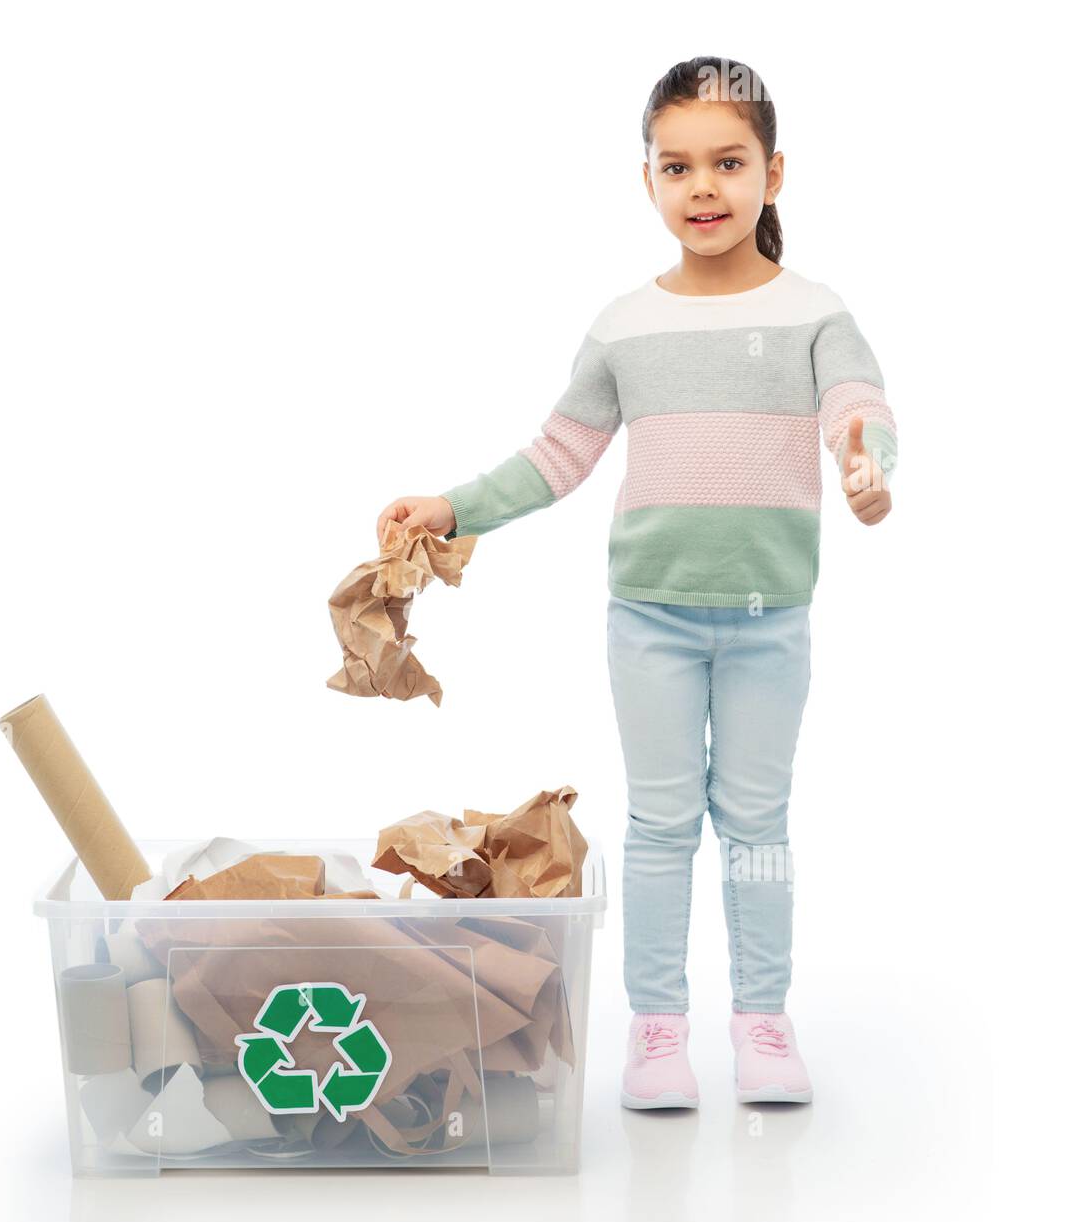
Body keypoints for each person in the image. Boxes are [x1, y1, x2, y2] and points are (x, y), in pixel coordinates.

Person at [376, 56, 896, 1108]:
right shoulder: (624, 325)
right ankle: (656, 1033)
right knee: (660, 825)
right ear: (647, 181)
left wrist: (866, 466)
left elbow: (859, 408)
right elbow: (556, 457)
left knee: (755, 825)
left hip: (767, 625)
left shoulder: (813, 313)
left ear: (772, 172)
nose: (702, 186)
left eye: (726, 162)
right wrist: (454, 506)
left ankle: (761, 1022)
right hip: (649, 624)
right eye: (676, 165)